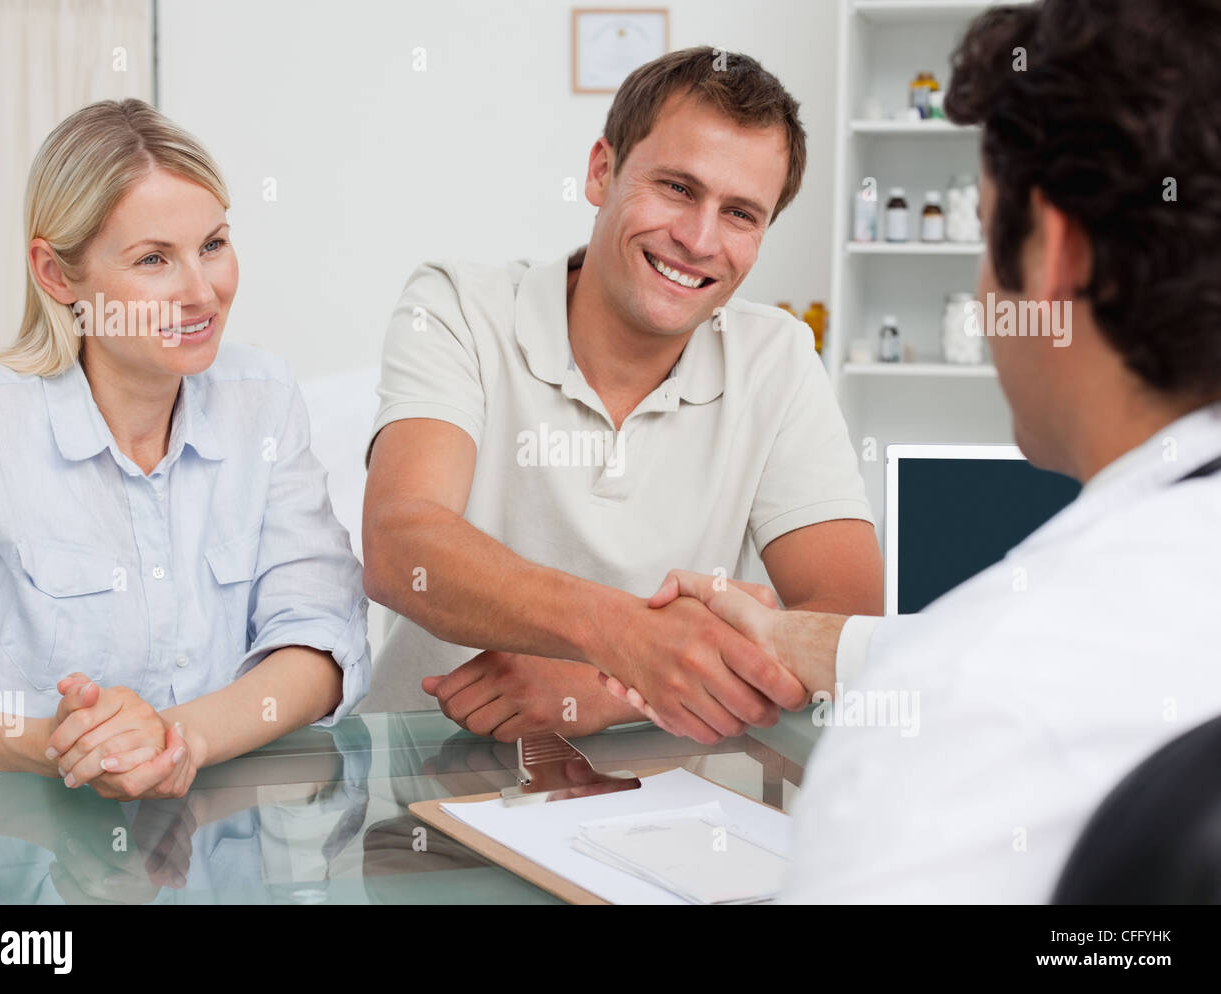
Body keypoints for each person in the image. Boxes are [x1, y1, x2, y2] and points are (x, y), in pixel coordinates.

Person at [608, 0, 1221, 901]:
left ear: (1050, 254)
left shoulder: (956, 719)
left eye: (985, 228)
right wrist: (791, 639)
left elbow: (995, 678)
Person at [359, 47, 883, 744]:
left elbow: (848, 621)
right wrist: (626, 639)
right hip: (431, 778)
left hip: (676, 793)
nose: (699, 239)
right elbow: (402, 547)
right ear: (602, 171)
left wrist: (614, 687)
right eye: (676, 188)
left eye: (740, 214)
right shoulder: (457, 305)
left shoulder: (777, 355)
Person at [0, 99, 370, 807]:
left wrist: (173, 738)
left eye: (214, 245)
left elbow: (319, 643)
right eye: (154, 259)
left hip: (209, 863)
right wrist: (56, 745)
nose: (203, 292)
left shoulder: (264, 398)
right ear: (57, 274)